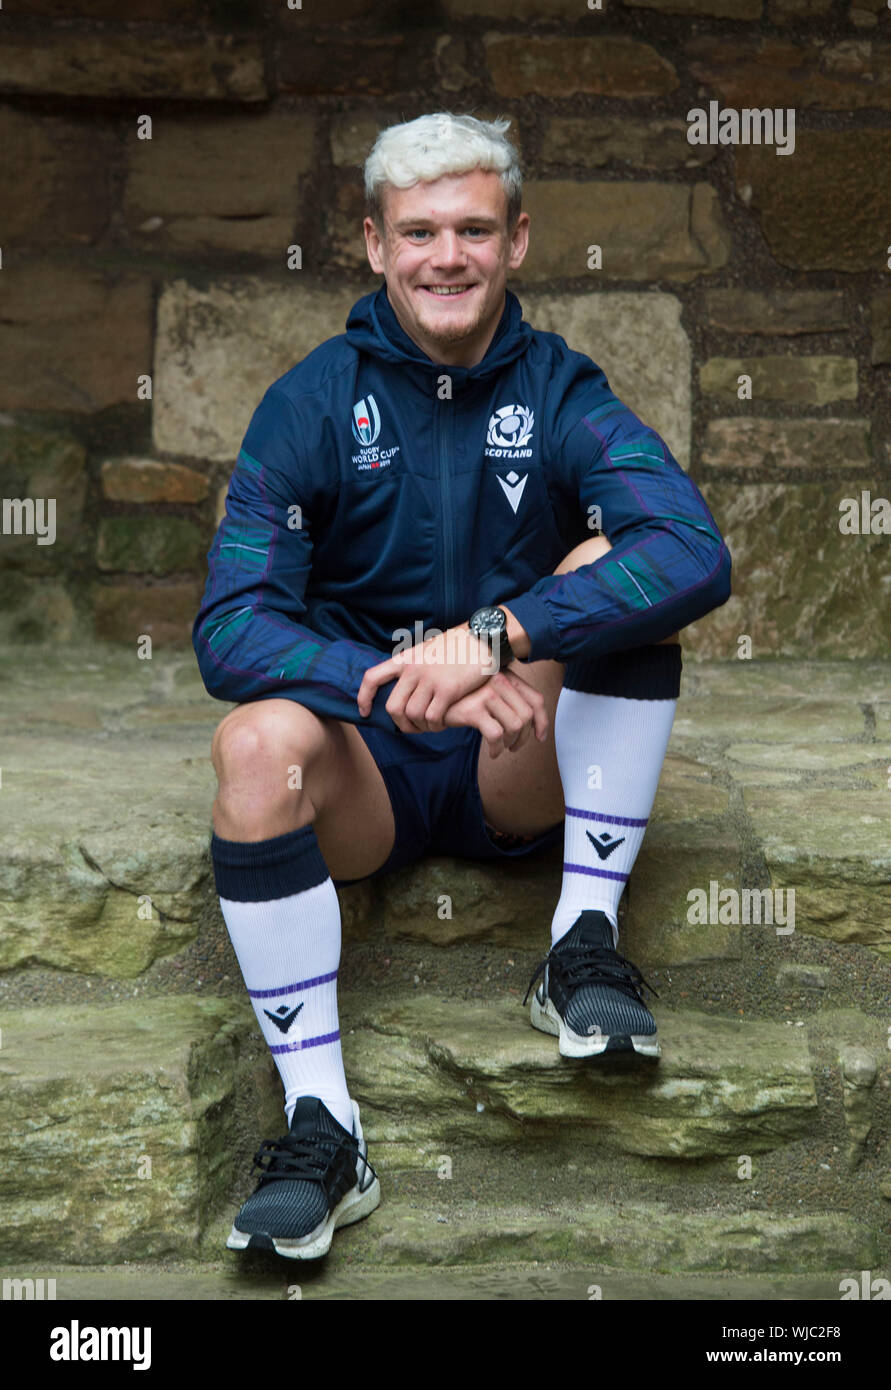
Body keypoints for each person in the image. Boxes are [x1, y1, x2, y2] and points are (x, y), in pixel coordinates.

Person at [192, 112, 732, 1261]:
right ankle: (323, 1124)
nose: (449, 255)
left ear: (519, 241)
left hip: (514, 754)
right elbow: (230, 628)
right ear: (376, 247)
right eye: (421, 230)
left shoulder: (565, 390)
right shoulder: (310, 402)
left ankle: (581, 941)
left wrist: (493, 635)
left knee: (622, 573)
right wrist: (386, 679)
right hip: (363, 774)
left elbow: (694, 553)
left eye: (475, 229)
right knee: (251, 747)